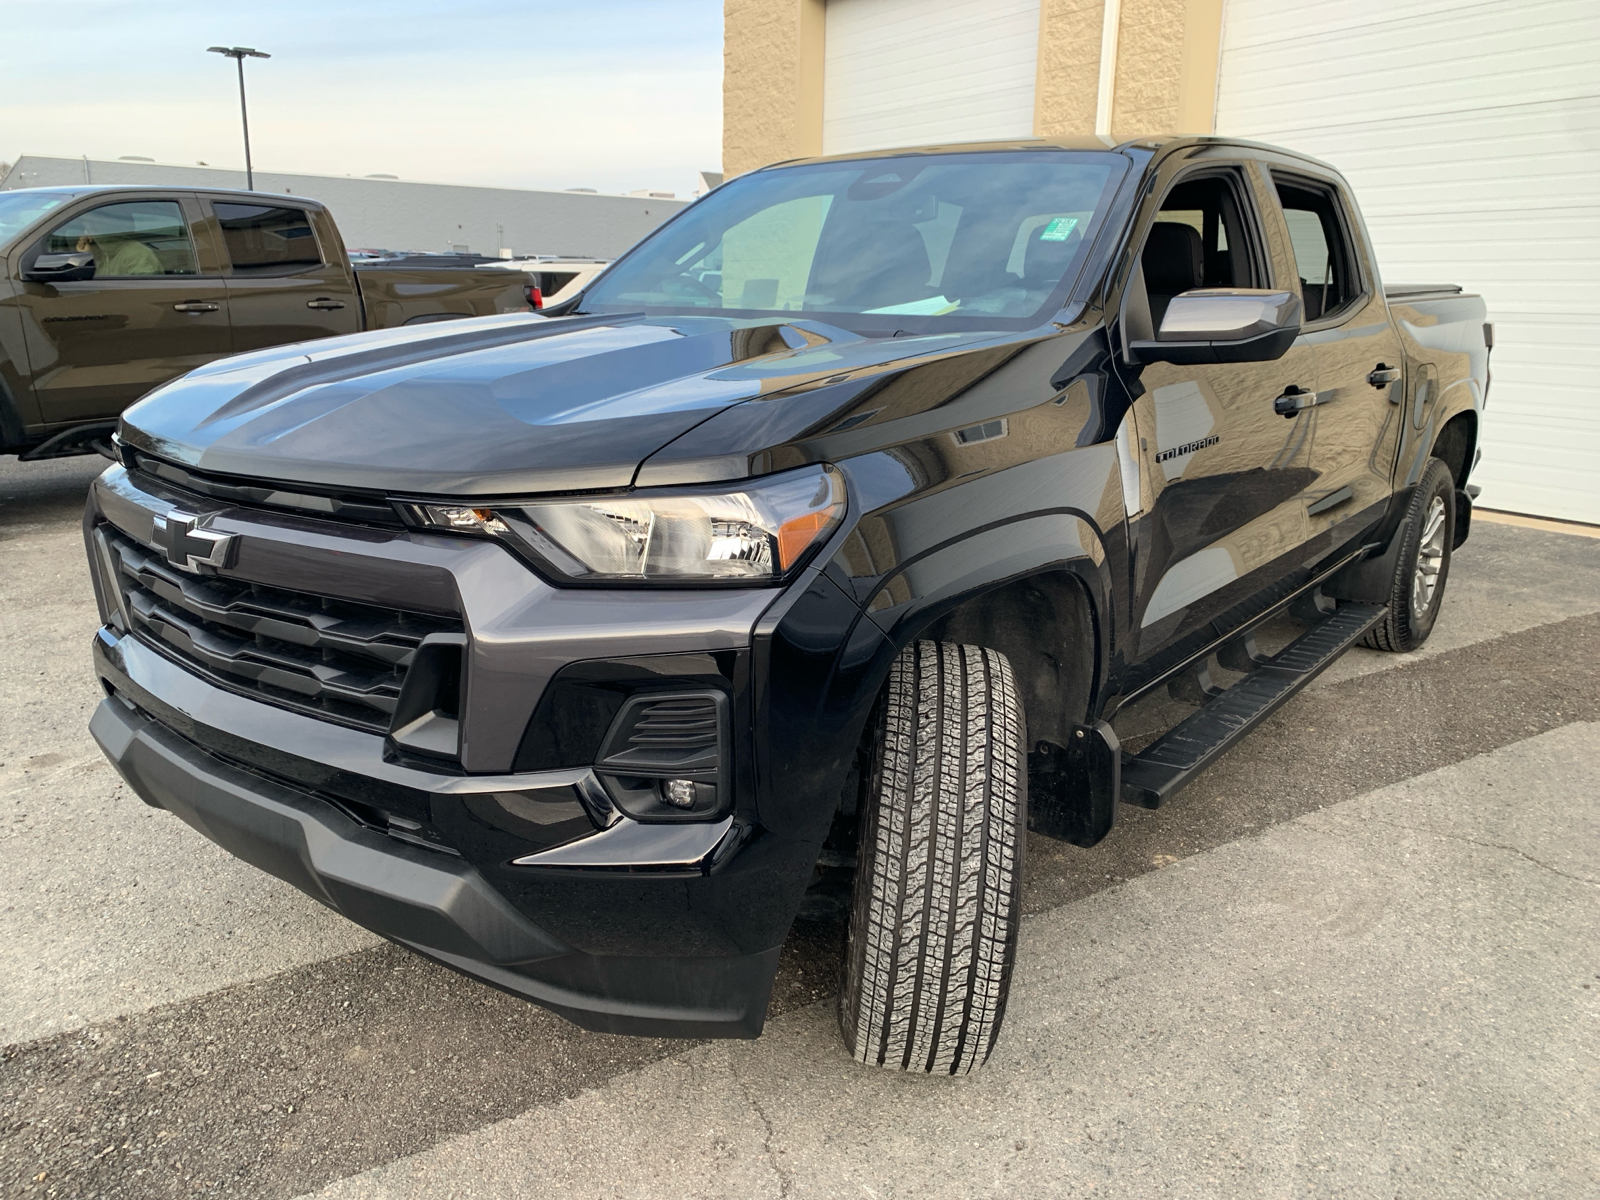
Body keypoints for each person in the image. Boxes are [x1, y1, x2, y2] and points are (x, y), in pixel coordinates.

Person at [75, 228, 161, 276]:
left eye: (88, 229)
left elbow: (145, 293)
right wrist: (86, 257)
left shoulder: (137, 254)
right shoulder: (104, 255)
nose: (85, 235)